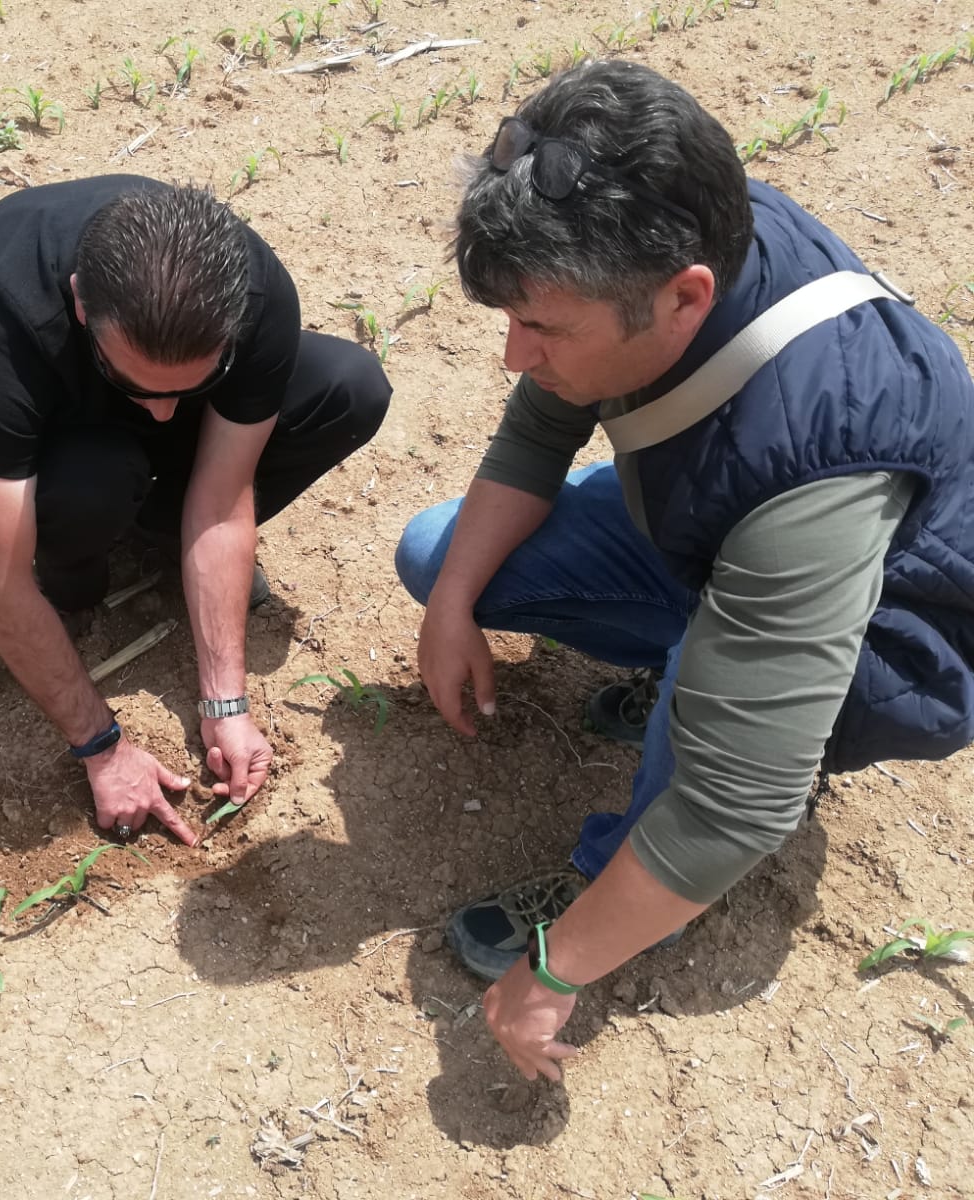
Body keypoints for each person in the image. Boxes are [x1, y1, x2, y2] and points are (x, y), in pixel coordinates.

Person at [394, 61, 974, 1081]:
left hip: (898, 641)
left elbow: (731, 806)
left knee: (715, 748)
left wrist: (556, 976)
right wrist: (449, 605)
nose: (511, 357)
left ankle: (601, 886)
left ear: (683, 299)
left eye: (542, 330)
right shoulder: (667, 227)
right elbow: (536, 430)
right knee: (438, 551)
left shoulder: (816, 462)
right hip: (723, 534)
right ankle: (692, 670)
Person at [0, 176, 391, 845]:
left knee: (350, 387)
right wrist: (102, 748)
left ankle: (159, 533)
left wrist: (226, 704)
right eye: (134, 382)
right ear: (82, 304)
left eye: (195, 384)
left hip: (141, 399)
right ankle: (75, 572)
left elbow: (223, 499)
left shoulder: (253, 288)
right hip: (66, 437)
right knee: (94, 479)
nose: (167, 413)